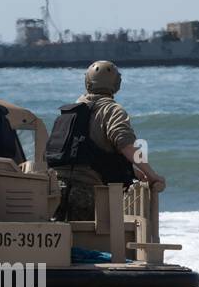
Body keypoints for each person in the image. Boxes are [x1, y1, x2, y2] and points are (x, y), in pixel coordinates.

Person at [45, 60, 166, 220]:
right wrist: (151, 174)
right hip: (88, 192)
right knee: (89, 242)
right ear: (116, 84)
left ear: (87, 82)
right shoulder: (112, 110)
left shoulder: (72, 111)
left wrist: (134, 171)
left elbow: (81, 151)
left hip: (54, 190)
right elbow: (126, 144)